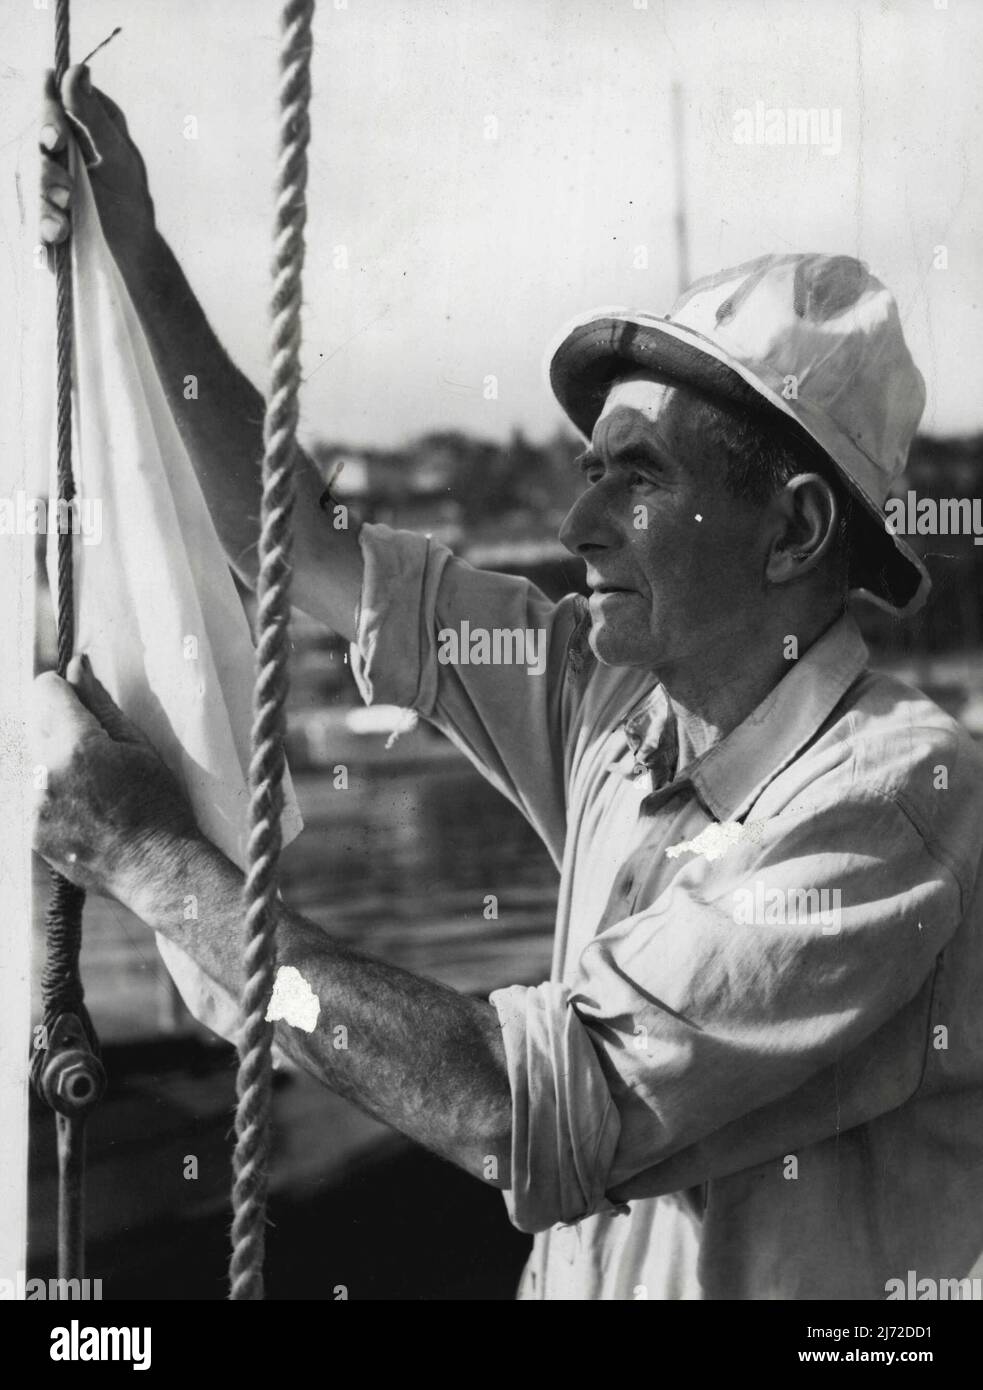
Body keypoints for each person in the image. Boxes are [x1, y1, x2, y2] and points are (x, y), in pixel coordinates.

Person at [34, 66, 983, 1300]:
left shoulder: (887, 813)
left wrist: (156, 866)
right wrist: (137, 249)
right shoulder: (616, 706)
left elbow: (508, 1112)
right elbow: (304, 550)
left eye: (632, 477)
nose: (576, 520)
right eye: (587, 470)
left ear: (794, 530)